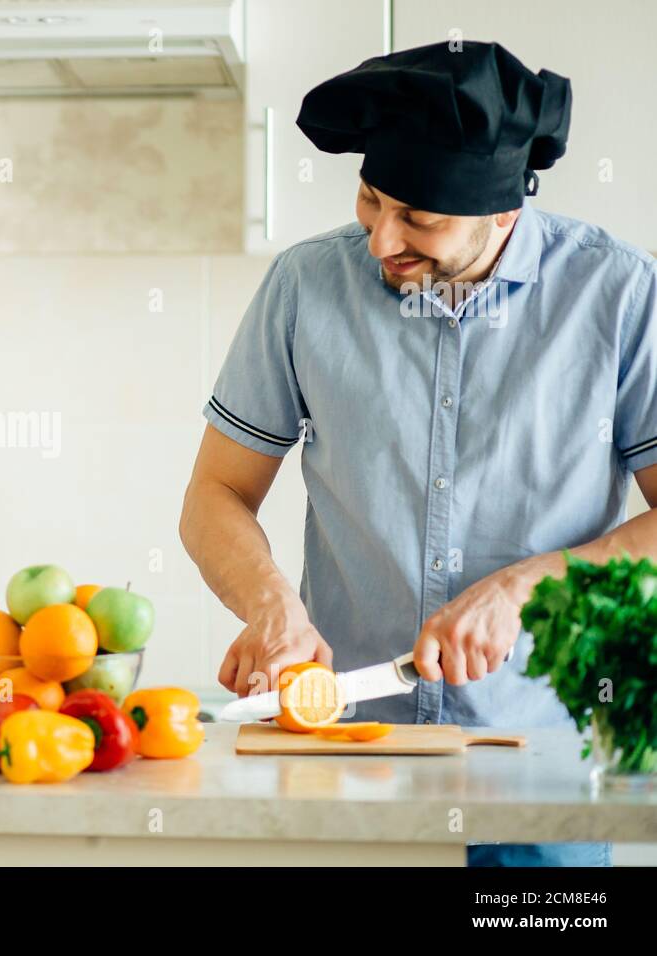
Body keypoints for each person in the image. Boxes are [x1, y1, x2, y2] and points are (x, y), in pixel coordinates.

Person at [180, 42, 653, 866]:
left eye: (420, 220)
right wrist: (270, 605)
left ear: (502, 212)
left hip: (539, 774)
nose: (380, 242)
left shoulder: (619, 296)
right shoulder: (304, 286)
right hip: (343, 771)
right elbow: (215, 492)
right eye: (370, 201)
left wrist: (525, 586)